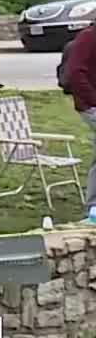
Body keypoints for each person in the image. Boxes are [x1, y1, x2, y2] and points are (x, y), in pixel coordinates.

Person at [56, 23, 96, 224]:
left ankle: (93, 208)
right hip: (91, 106)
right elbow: (75, 73)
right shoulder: (88, 37)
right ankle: (93, 209)